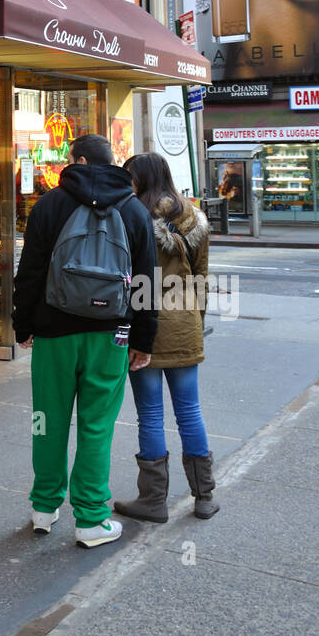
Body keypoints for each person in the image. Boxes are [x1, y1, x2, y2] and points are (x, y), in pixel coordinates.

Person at [13, 133, 156, 548]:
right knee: (97, 426)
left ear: (77, 160)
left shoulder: (50, 205)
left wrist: (23, 326)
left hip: (54, 334)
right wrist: (144, 338)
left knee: (46, 421)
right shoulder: (133, 209)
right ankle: (92, 519)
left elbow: (31, 273)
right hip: (111, 334)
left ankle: (43, 507)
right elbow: (146, 280)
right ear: (111, 162)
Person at [115, 153, 217, 523]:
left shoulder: (131, 216)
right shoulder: (193, 218)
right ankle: (204, 497)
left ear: (138, 180)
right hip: (185, 321)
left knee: (151, 414)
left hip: (145, 324)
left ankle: (153, 501)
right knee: (190, 411)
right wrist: (195, 320)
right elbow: (202, 278)